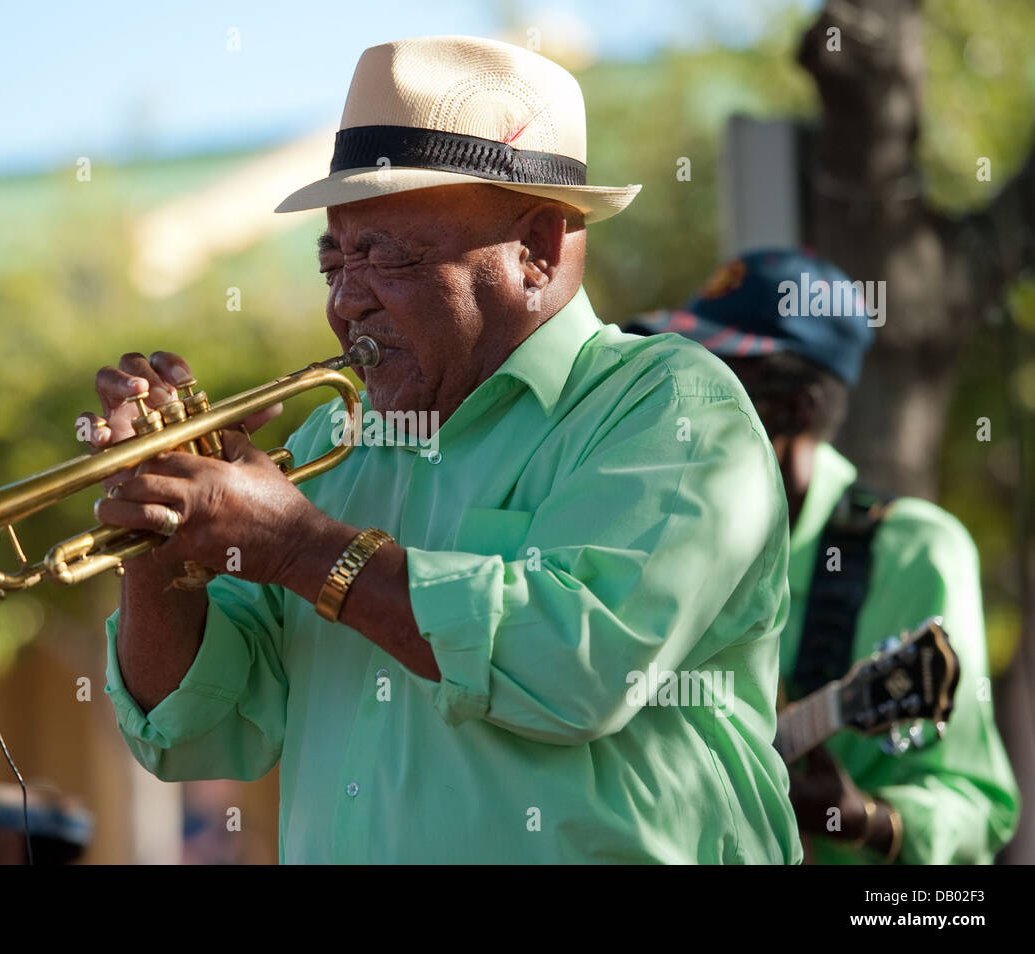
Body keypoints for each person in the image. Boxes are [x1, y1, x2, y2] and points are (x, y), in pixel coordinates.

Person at [83, 35, 802, 863]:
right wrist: (155, 543)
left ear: (537, 246)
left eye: (388, 258)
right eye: (334, 262)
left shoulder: (672, 404)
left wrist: (294, 543)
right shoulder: (334, 441)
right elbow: (199, 735)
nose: (348, 304)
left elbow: (578, 670)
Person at [629, 248, 1020, 863]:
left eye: (710, 384)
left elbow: (976, 804)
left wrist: (864, 818)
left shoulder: (915, 553)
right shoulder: (648, 523)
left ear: (795, 409)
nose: (675, 405)